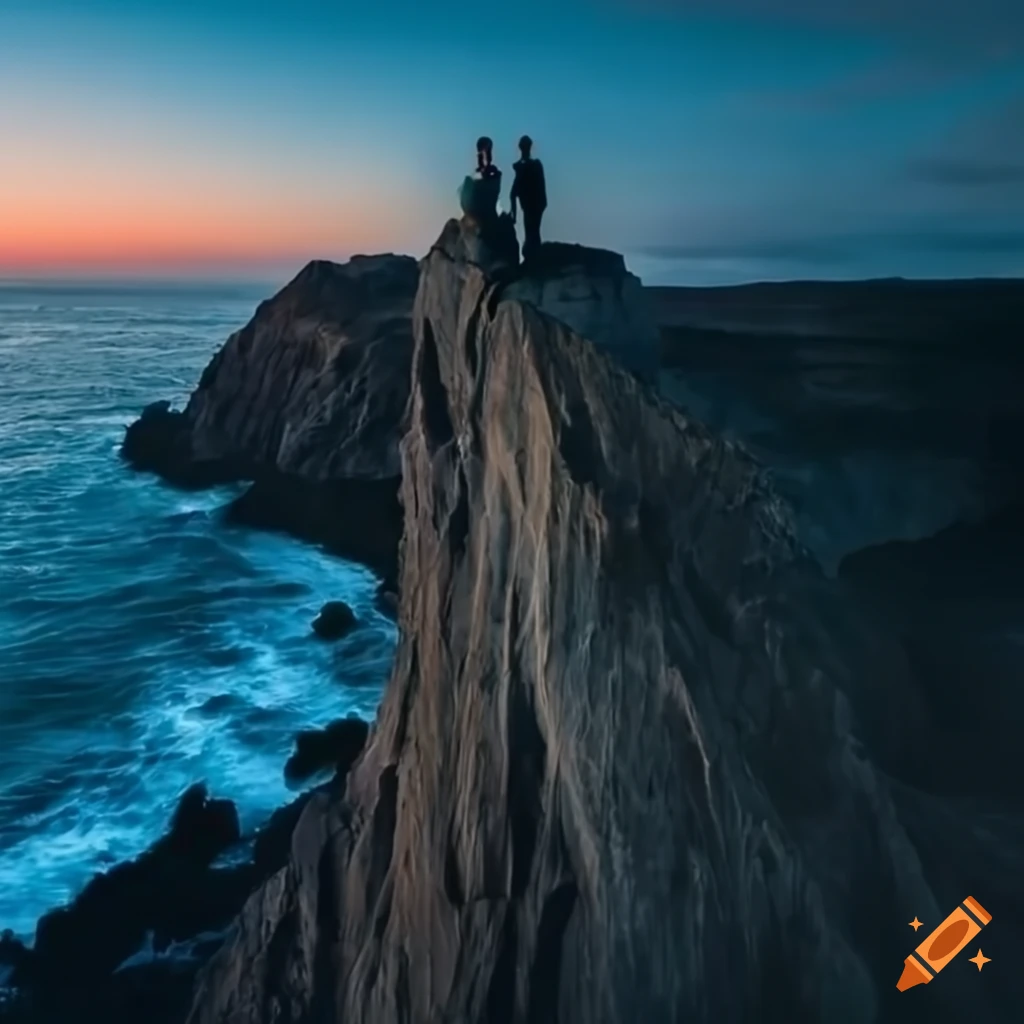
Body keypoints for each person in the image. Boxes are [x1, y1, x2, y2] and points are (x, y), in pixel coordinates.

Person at [510, 135, 547, 262]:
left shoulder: (533, 165)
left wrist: (513, 214)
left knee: (533, 232)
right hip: (530, 205)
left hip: (534, 205)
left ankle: (533, 258)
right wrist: (513, 214)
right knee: (532, 232)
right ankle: (532, 258)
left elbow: (541, 186)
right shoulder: (524, 166)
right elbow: (513, 194)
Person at [459, 136, 502, 223]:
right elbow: (465, 202)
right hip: (473, 217)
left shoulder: (495, 174)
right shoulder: (471, 178)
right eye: (480, 154)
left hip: (489, 216)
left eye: (488, 152)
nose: (484, 156)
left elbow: (494, 191)